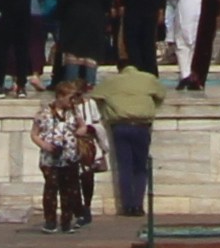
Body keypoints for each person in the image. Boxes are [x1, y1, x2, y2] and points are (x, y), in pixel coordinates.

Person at [95, 52, 165, 219]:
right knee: (140, 168)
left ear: (119, 68)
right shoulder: (148, 78)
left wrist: (107, 109)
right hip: (142, 125)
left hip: (120, 126)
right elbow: (161, 95)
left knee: (124, 167)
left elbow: (94, 95)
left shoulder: (111, 81)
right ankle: (138, 206)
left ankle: (127, 206)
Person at [33, 68, 100, 231]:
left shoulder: (74, 113)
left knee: (69, 189)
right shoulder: (44, 113)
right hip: (50, 158)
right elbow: (34, 134)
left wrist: (81, 131)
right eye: (70, 98)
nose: (73, 102)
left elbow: (83, 127)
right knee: (51, 188)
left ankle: (66, 221)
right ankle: (50, 221)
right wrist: (44, 145)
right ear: (60, 96)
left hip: (70, 156)